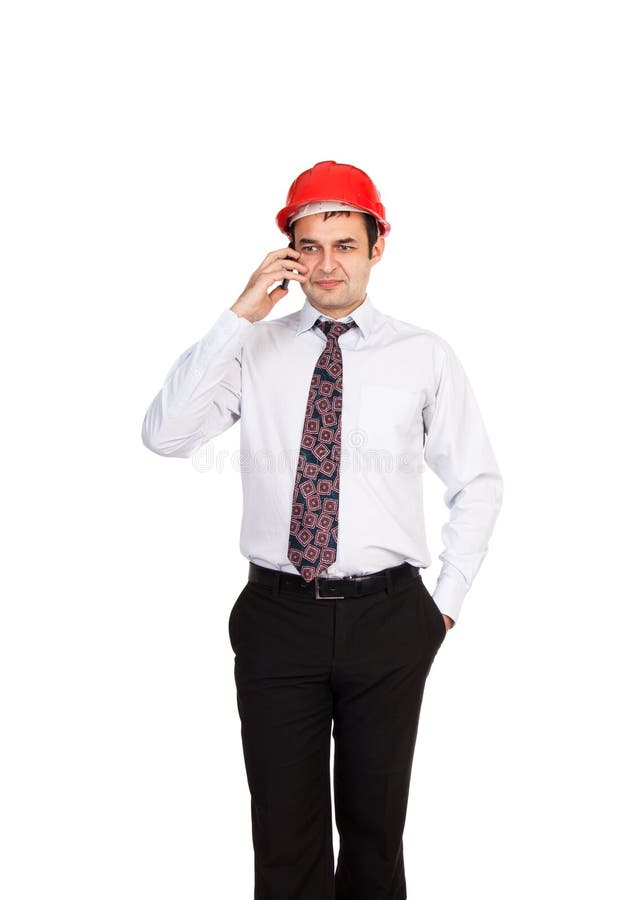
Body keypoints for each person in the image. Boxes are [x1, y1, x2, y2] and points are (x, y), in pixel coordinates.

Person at [141, 160, 503, 899]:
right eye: (310, 245)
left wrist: (445, 603)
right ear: (288, 253)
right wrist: (237, 314)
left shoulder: (423, 354)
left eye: (344, 243)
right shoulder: (251, 347)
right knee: (283, 831)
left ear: (377, 247)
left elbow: (478, 481)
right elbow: (165, 436)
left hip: (390, 617)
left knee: (375, 829)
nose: (326, 262)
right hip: (277, 616)